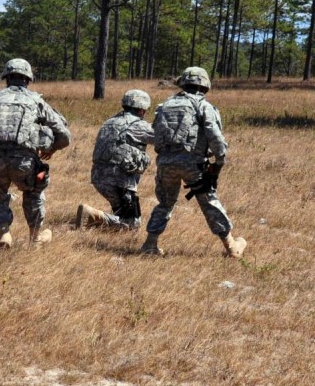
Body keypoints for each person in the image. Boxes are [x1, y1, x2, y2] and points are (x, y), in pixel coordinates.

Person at [0, 58, 71, 248]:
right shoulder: (37, 101)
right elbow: (65, 136)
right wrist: (51, 149)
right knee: (34, 191)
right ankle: (34, 237)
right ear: (28, 79)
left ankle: (5, 234)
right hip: (25, 162)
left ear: (6, 78)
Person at [140, 66, 246, 258]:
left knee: (165, 203)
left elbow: (155, 133)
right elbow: (214, 135)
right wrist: (220, 159)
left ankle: (150, 244)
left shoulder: (165, 105)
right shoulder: (204, 106)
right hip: (193, 164)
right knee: (209, 203)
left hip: (165, 162)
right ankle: (232, 247)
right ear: (205, 85)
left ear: (183, 83)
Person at [76, 89, 154, 230]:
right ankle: (92, 215)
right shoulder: (139, 125)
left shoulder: (109, 122)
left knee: (121, 214)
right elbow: (163, 139)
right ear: (142, 109)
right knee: (132, 224)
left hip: (98, 177)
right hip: (120, 180)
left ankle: (98, 222)